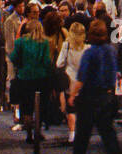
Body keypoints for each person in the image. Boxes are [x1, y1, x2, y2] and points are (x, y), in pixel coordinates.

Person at [68, 19, 122, 154]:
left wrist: (72, 95)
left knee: (82, 133)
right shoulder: (111, 51)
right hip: (107, 96)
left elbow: (81, 78)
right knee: (108, 132)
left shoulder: (89, 53)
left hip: (89, 97)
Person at [9, 14, 53, 143]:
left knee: (26, 107)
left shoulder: (20, 42)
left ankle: (28, 135)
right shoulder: (45, 42)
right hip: (41, 79)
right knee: (40, 107)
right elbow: (46, 61)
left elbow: (13, 58)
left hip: (24, 78)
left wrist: (21, 66)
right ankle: (38, 132)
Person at [56, 20, 86, 145]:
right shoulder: (87, 47)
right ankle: (82, 134)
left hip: (70, 80)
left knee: (71, 109)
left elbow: (59, 63)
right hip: (84, 82)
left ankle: (72, 135)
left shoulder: (66, 46)